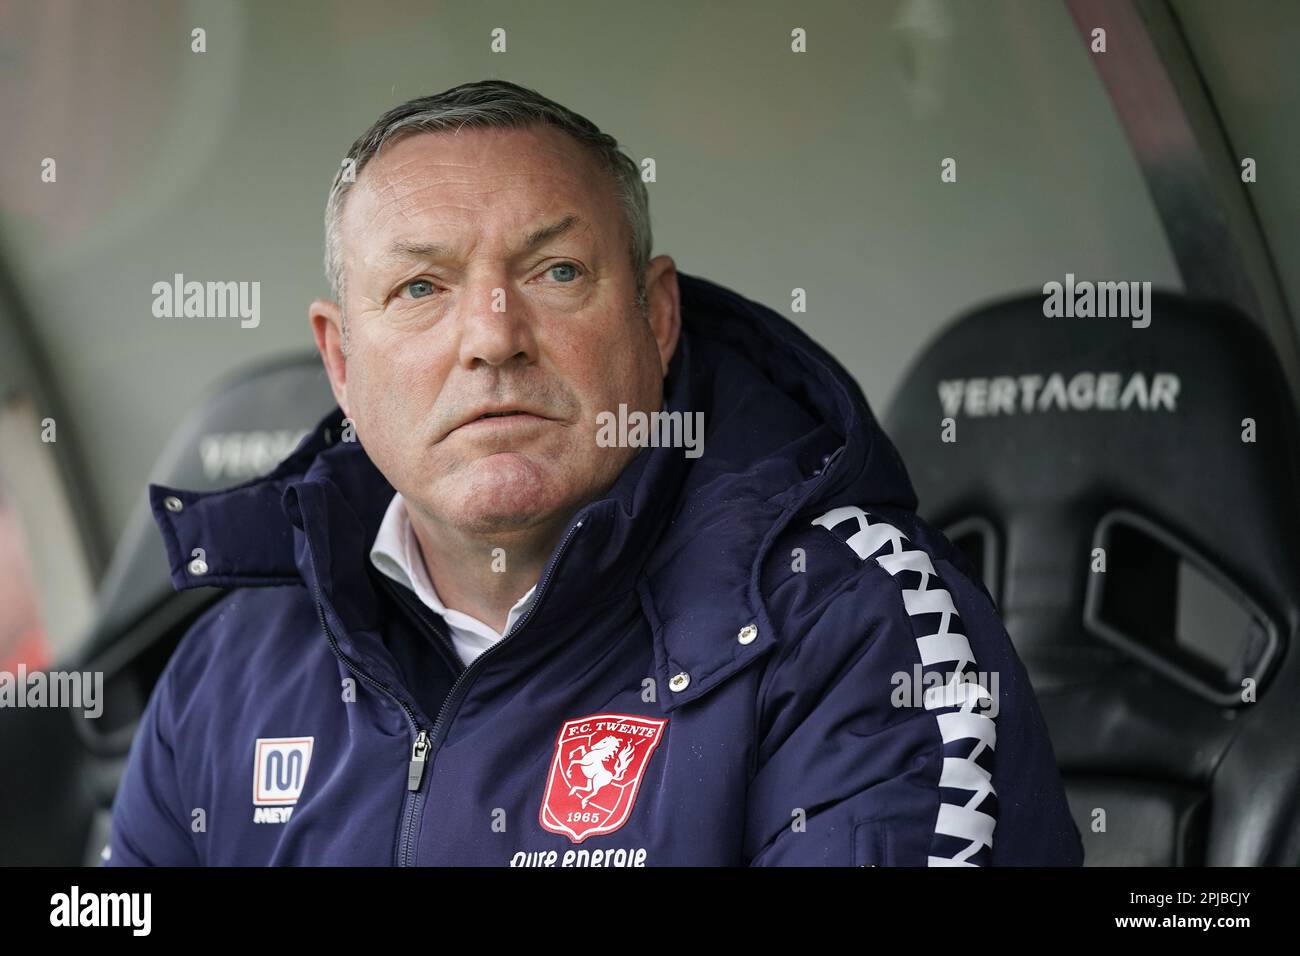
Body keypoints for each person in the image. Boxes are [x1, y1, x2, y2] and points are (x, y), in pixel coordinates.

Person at [106, 79, 1083, 866]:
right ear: (342, 362)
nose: (492, 336)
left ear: (657, 318)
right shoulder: (227, 667)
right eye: (419, 287)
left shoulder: (846, 621)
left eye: (555, 272)